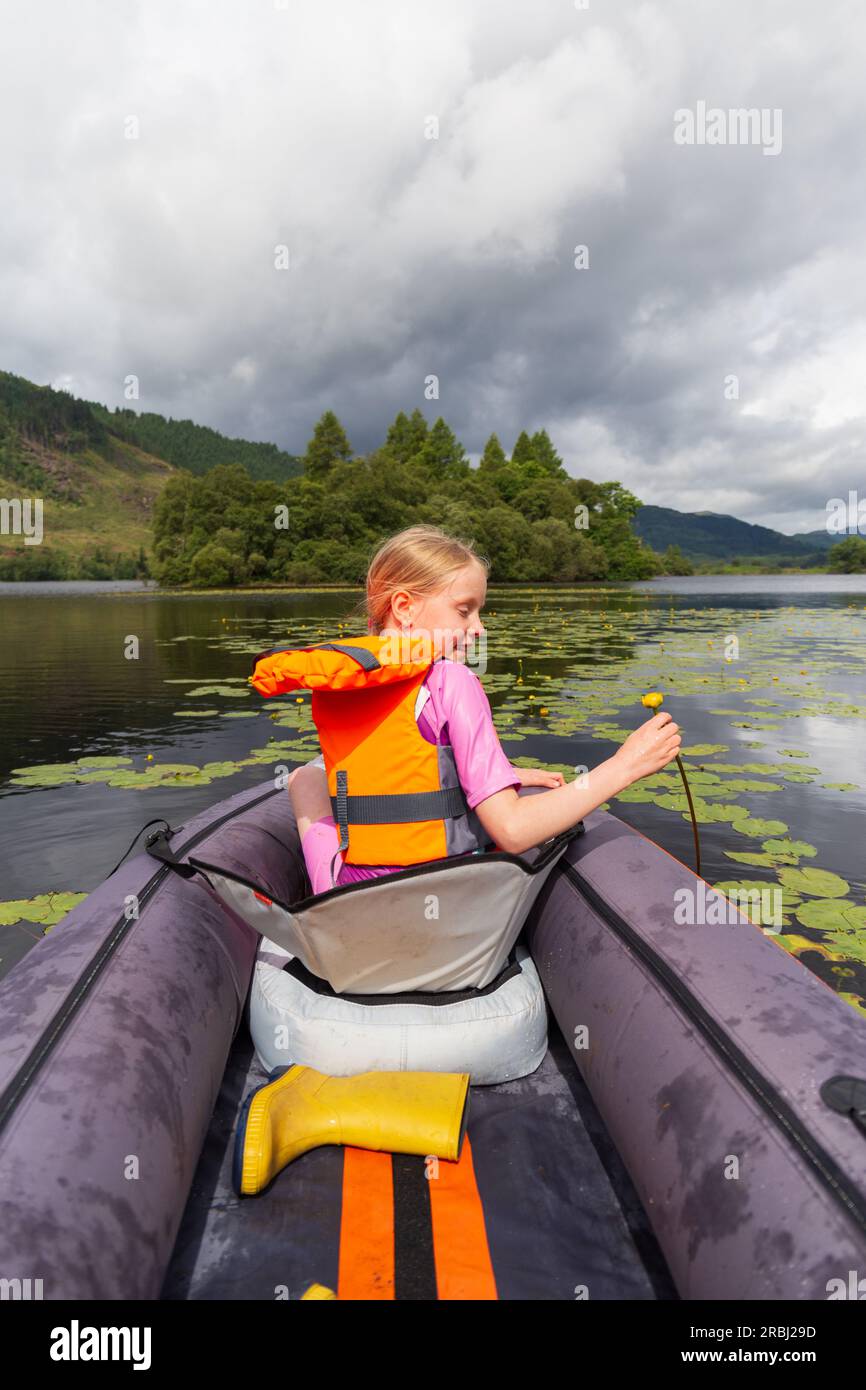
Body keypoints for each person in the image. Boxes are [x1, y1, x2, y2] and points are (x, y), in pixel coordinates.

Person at [288, 524, 681, 896]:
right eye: (464, 610)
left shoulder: (341, 684)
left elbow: (394, 769)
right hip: (445, 901)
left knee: (304, 778)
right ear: (404, 607)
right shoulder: (452, 681)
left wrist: (501, 776)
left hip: (352, 901)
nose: (479, 628)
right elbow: (512, 830)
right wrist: (625, 765)